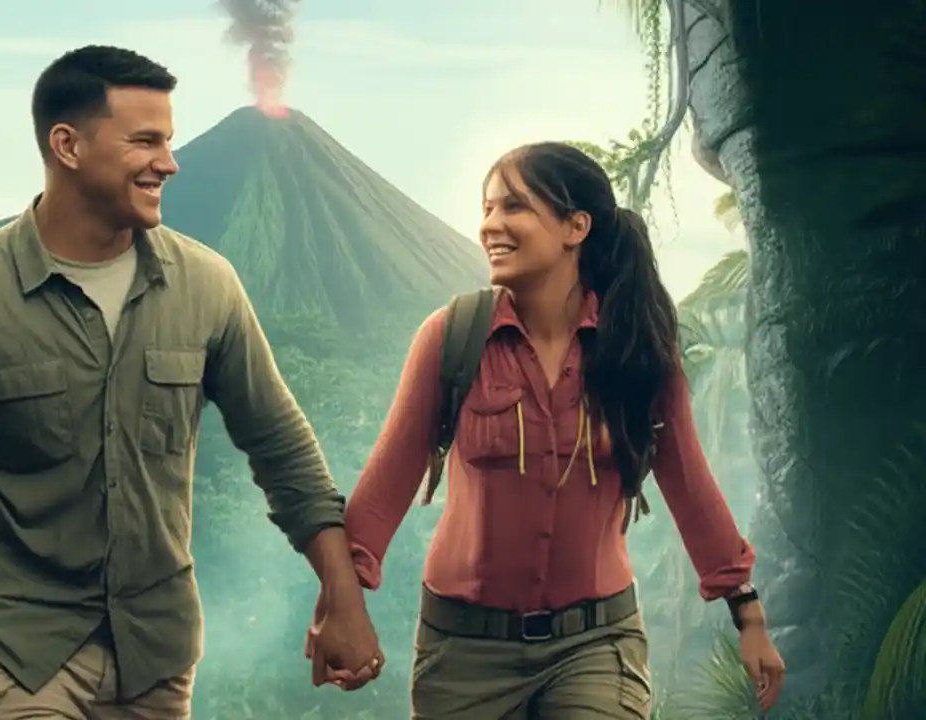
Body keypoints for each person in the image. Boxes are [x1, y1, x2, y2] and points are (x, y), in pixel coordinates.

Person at [0, 45, 382, 720]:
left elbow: (282, 449)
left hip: (156, 658)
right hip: (16, 657)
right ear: (67, 145)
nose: (169, 162)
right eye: (145, 141)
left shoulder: (207, 288)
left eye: (171, 141)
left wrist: (344, 599)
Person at [332, 142, 785, 718]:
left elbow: (690, 486)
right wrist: (340, 606)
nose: (491, 225)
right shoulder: (451, 339)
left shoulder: (637, 351)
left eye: (514, 207)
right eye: (487, 208)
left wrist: (748, 615)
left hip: (595, 645)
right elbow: (381, 495)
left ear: (576, 226)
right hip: (464, 653)